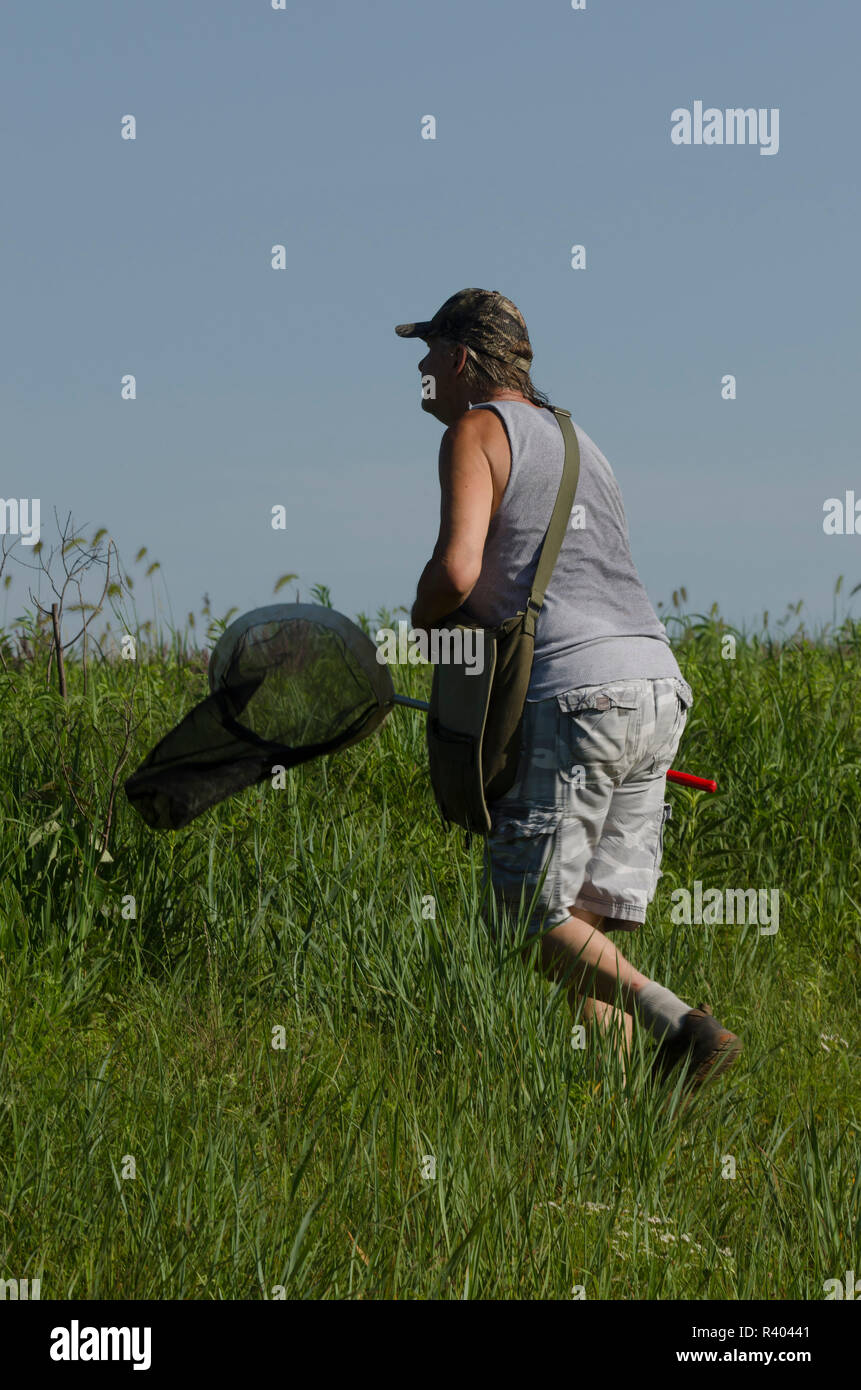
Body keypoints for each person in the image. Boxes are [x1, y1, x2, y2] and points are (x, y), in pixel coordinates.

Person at [397, 288, 741, 1091]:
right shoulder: (583, 442)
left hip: (576, 695)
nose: (417, 370)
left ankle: (685, 1027)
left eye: (426, 353)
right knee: (581, 930)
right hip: (655, 686)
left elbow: (457, 571)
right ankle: (626, 1119)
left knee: (521, 918)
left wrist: (421, 617)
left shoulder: (474, 431)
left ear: (459, 359)